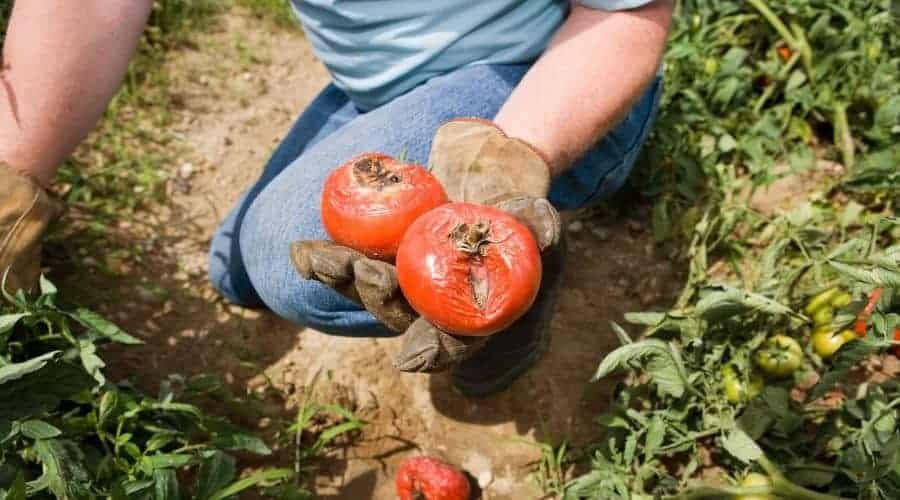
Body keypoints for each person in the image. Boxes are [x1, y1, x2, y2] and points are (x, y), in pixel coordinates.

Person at [1, 0, 672, 396]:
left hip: (546, 81)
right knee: (234, 273)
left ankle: (516, 280)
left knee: (286, 266)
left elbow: (626, 16)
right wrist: (10, 182)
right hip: (386, 90)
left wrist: (505, 173)